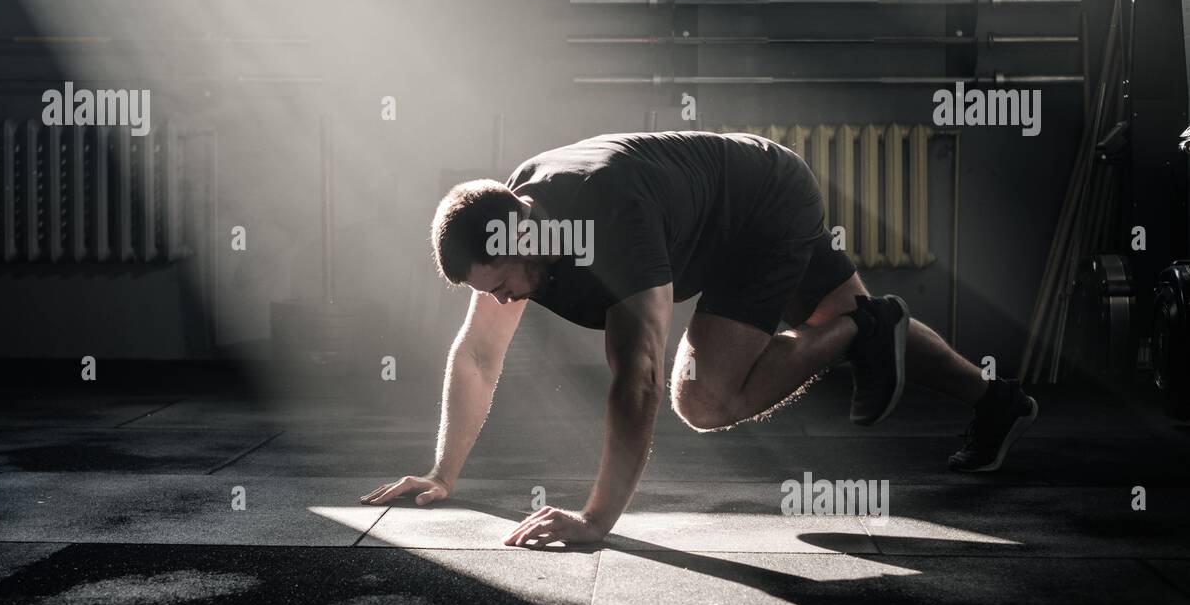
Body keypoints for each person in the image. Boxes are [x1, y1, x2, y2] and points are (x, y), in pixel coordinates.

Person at [360, 131, 1038, 548]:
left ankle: (865, 326)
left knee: (704, 399)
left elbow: (639, 377)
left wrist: (597, 520)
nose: (503, 298)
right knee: (856, 327)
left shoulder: (607, 220)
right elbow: (479, 355)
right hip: (726, 199)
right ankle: (994, 398)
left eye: (501, 282)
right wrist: (444, 474)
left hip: (763, 205)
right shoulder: (518, 225)